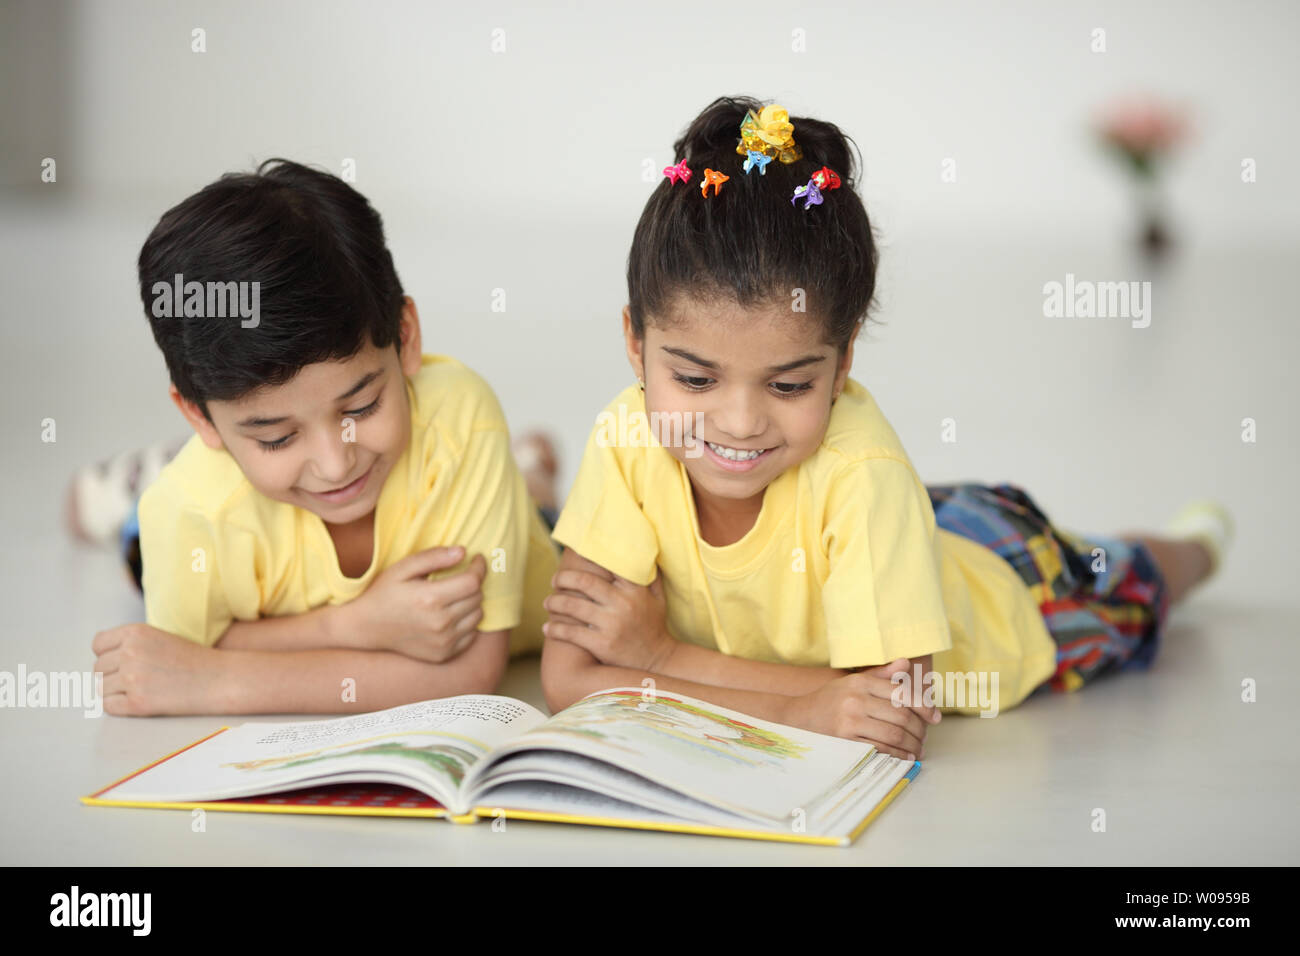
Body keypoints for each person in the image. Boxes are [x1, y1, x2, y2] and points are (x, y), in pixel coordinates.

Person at [538, 96, 1232, 757]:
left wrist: (660, 659)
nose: (741, 423)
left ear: (843, 362)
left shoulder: (866, 479)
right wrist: (809, 703)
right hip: (906, 537)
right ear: (635, 343)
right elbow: (568, 681)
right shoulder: (626, 437)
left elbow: (889, 708)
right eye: (695, 380)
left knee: (1128, 576)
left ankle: (1196, 546)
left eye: (788, 385)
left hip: (1013, 590)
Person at [79, 159, 559, 717]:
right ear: (200, 418)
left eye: (362, 406)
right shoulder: (190, 515)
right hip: (200, 511)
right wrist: (353, 624)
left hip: (518, 540)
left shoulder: (461, 420)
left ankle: (532, 473)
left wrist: (216, 683)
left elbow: (474, 668)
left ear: (405, 339)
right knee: (142, 547)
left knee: (542, 521)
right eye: (278, 438)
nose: (336, 465)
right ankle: (131, 489)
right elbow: (185, 649)